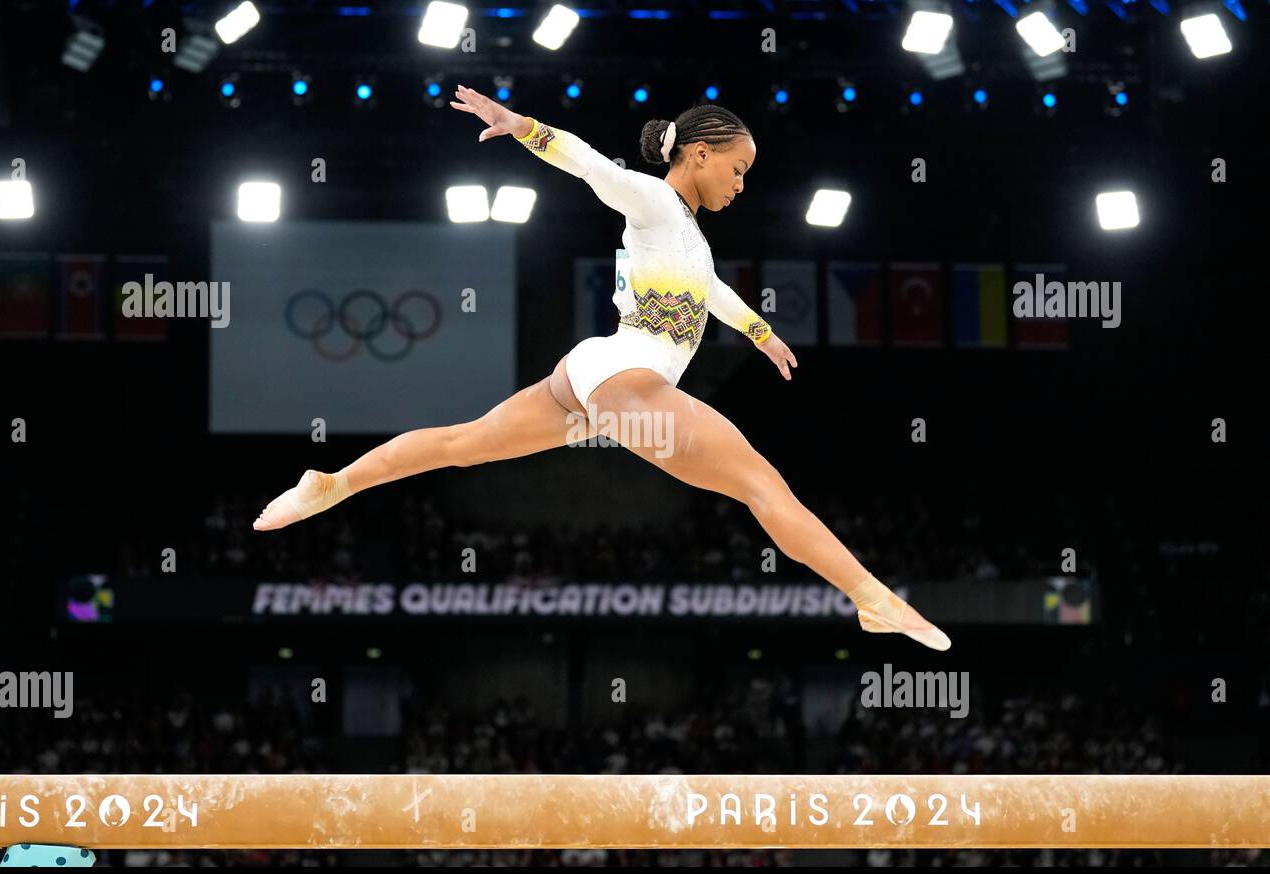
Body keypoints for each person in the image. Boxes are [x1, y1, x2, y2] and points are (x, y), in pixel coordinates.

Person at [254, 85, 949, 651]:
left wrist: (760, 331)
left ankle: (334, 483)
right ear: (699, 155)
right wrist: (520, 123)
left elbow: (711, 293)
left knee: (463, 444)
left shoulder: (686, 236)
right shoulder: (653, 201)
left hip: (596, 372)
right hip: (625, 381)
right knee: (763, 488)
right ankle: (871, 599)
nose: (741, 186)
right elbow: (593, 166)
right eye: (738, 170)